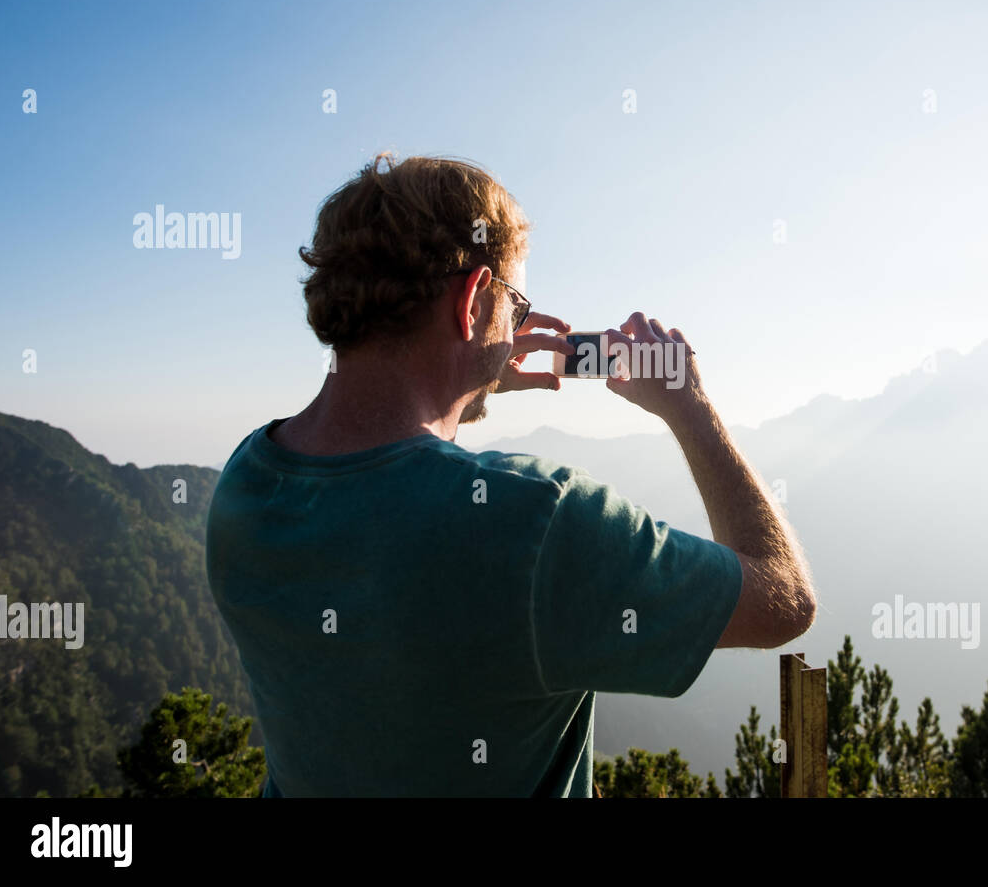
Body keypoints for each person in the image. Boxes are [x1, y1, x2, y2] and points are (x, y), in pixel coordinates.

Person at [205, 152, 816, 796]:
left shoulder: (247, 482)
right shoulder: (539, 518)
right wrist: (691, 408)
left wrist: (466, 381)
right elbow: (785, 601)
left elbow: (377, 478)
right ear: (472, 298)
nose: (521, 327)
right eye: (517, 307)